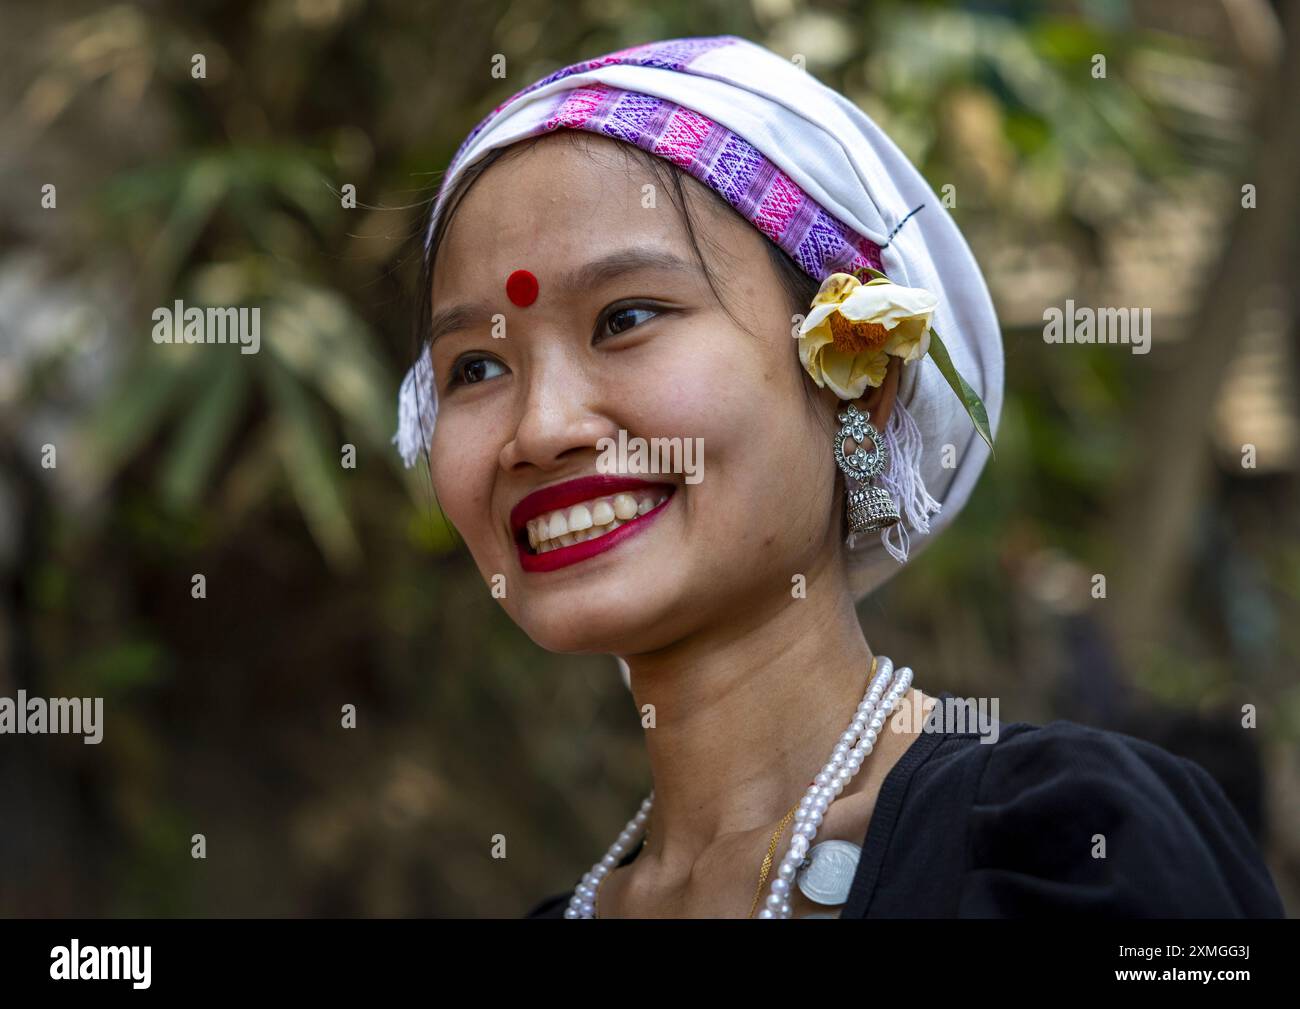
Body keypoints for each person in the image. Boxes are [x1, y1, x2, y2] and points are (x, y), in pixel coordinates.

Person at [392, 36, 1286, 918]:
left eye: (625, 317)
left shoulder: (1067, 847)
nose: (540, 429)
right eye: (473, 367)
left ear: (856, 379)